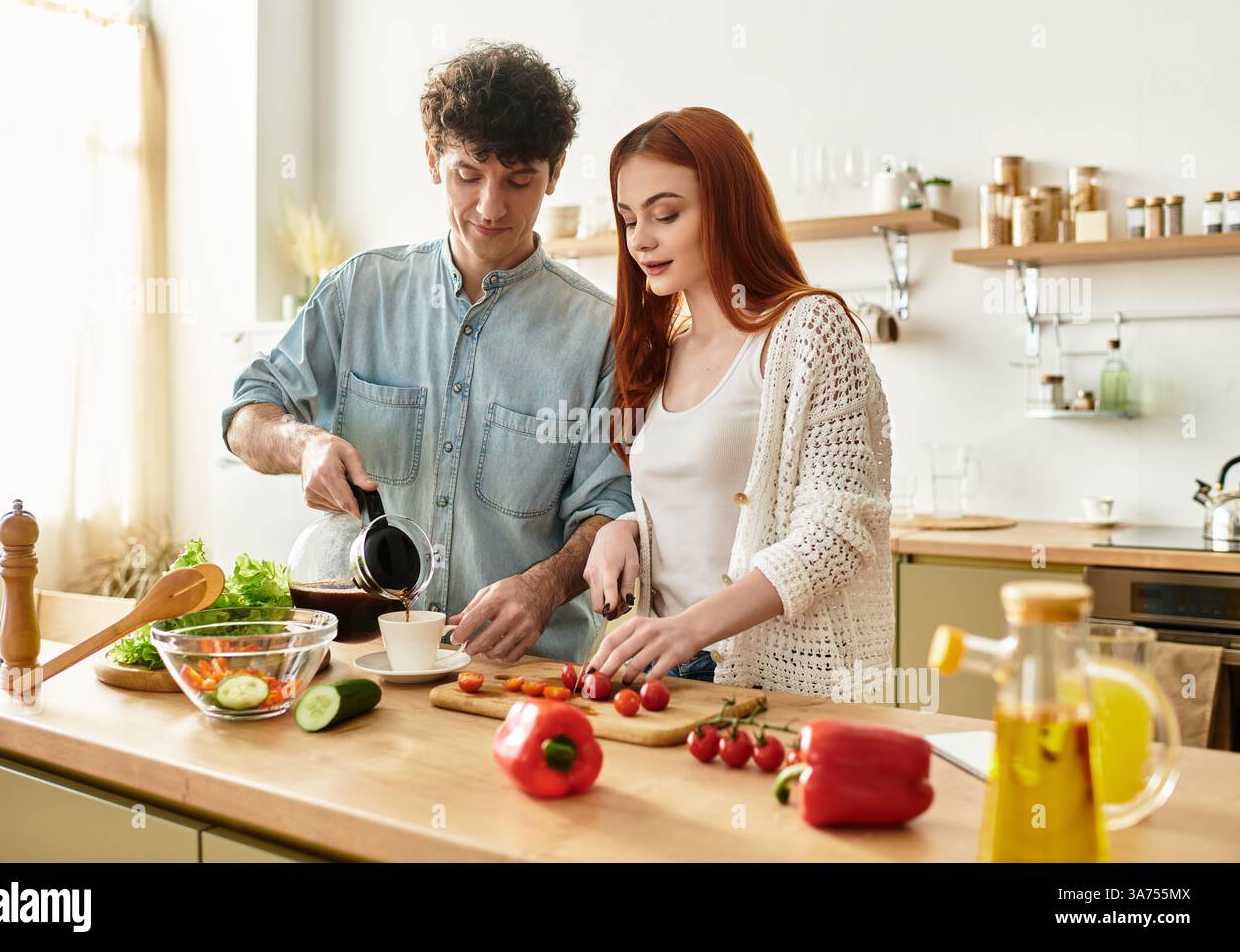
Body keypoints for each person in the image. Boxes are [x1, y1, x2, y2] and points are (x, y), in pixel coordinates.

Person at [223, 42, 631, 664]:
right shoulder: (360, 291)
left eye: (519, 180)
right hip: (367, 660)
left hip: (520, 676)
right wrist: (303, 445)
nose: (491, 207)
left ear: (555, 172)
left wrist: (544, 587)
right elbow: (245, 414)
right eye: (468, 175)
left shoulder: (600, 331)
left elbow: (609, 508)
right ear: (432, 159)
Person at [582, 107, 894, 695]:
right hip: (666, 673)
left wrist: (687, 629)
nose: (641, 239)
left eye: (666, 214)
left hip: (773, 679)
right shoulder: (665, 351)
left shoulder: (808, 332)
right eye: (629, 220)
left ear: (727, 207)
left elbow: (835, 536)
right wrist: (623, 529)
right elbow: (701, 505)